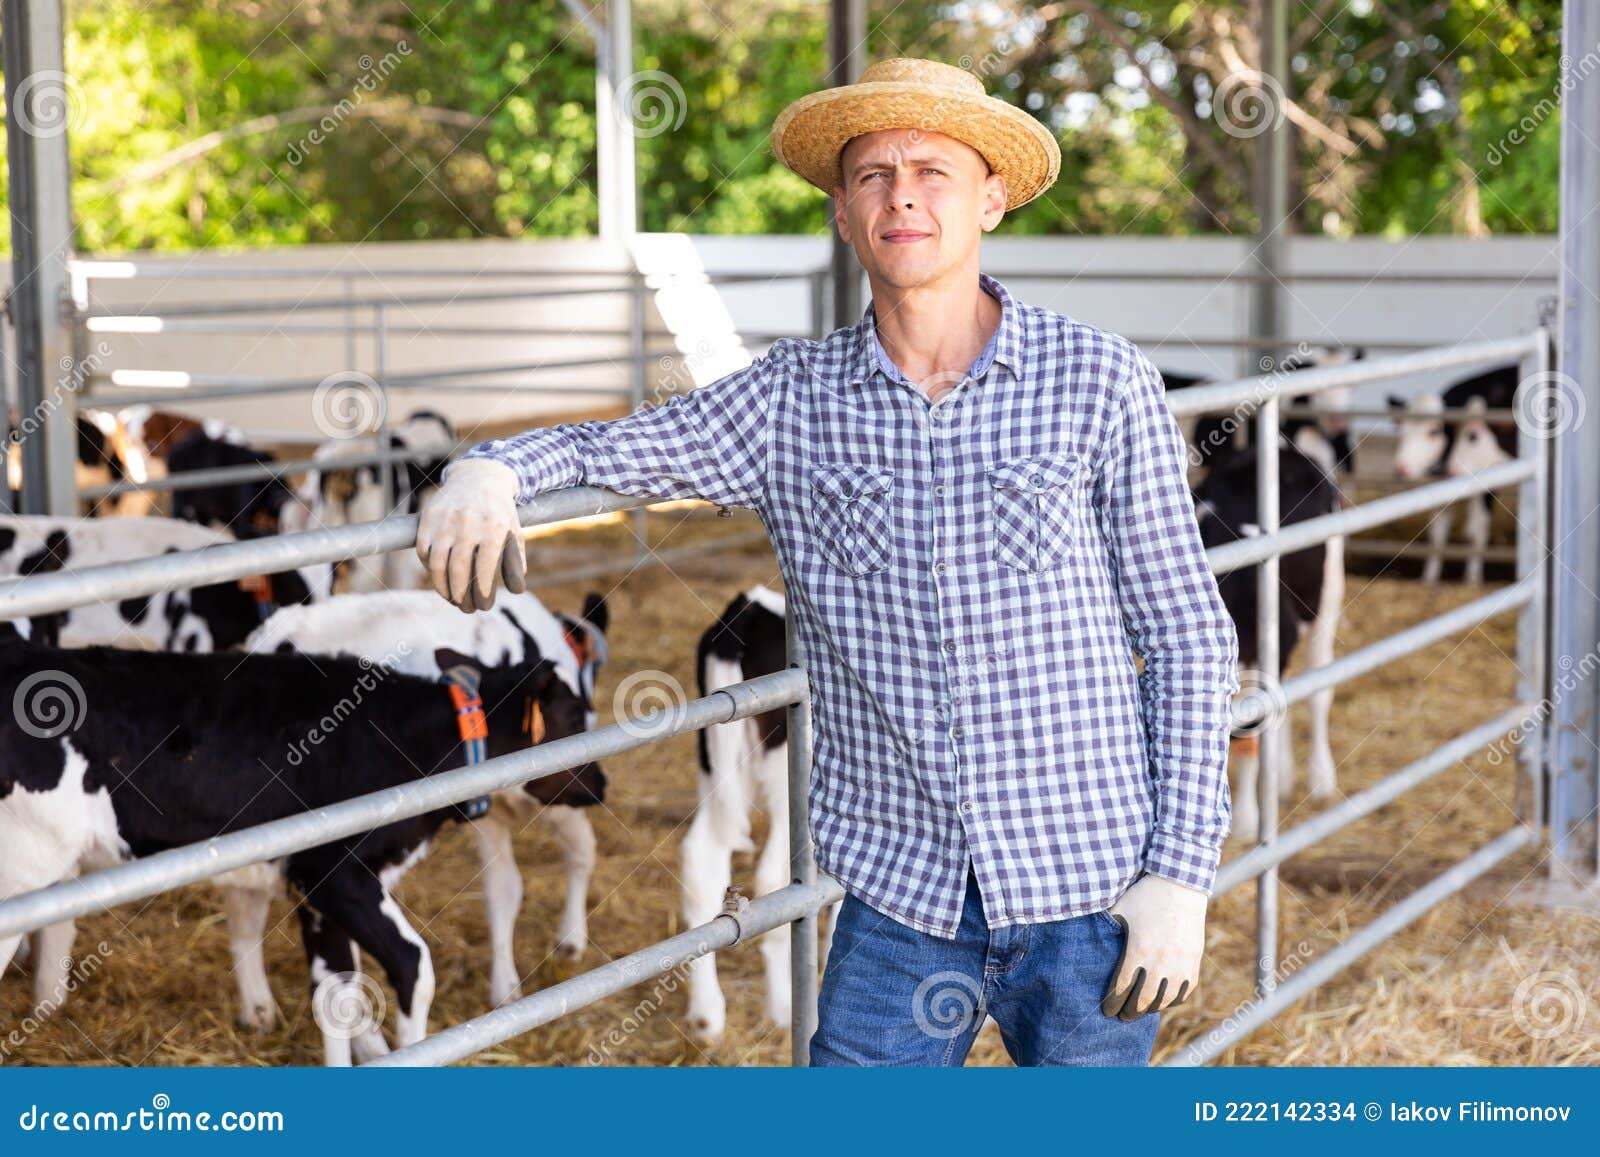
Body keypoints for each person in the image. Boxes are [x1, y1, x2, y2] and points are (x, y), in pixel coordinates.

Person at [417, 56, 1240, 1067]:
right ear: (843, 215)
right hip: (902, 897)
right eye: (871, 173)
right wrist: (489, 470)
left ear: (989, 199)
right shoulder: (788, 401)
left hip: (1090, 887)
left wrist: (1180, 873)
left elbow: (1188, 635)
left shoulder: (1101, 382)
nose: (901, 191)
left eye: (932, 169)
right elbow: (611, 448)